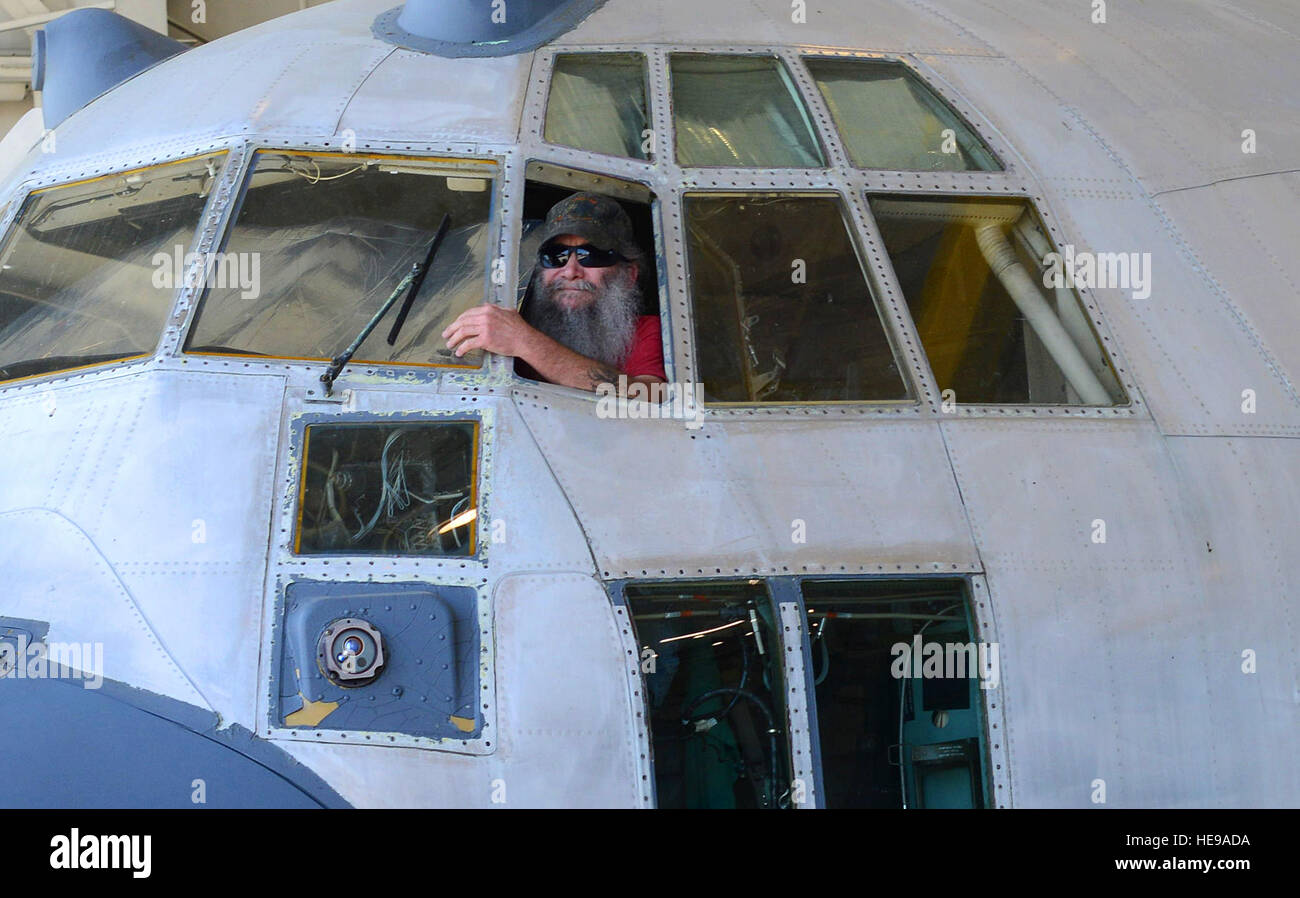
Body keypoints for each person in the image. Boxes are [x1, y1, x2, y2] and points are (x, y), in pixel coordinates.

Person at [442, 192, 666, 392]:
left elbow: (650, 396)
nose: (569, 271)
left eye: (591, 256)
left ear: (629, 275)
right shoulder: (509, 320)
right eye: (555, 256)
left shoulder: (646, 330)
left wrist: (524, 341)